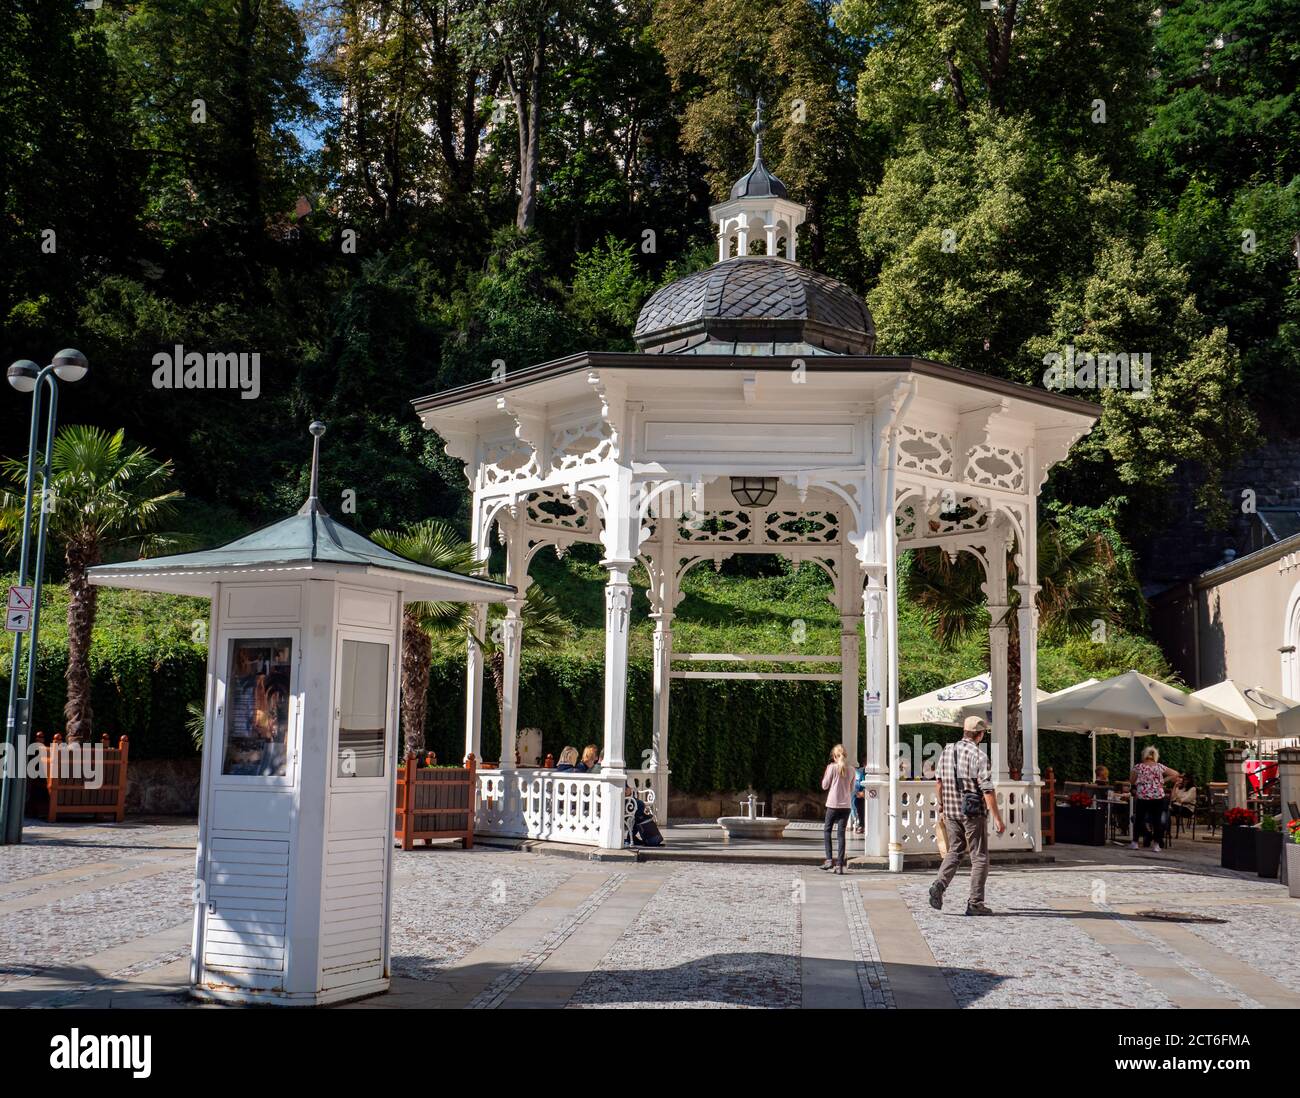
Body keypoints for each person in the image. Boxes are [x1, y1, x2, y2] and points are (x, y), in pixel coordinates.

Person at [929, 717, 1006, 916]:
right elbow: (987, 790)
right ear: (980, 734)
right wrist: (997, 818)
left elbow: (938, 783)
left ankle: (939, 883)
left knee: (954, 851)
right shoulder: (979, 756)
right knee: (979, 857)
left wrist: (941, 804)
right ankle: (975, 904)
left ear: (964, 731)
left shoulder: (947, 751)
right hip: (973, 813)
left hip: (951, 811)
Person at [1129, 745, 1180, 852]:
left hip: (1143, 796)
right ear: (1155, 756)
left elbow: (1132, 781)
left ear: (1144, 755)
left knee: (1139, 819)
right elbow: (1175, 773)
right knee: (1157, 820)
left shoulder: (1138, 767)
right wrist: (1161, 781)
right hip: (1157, 796)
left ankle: (1135, 843)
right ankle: (1156, 845)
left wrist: (1141, 782)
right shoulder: (1159, 766)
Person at [820, 743, 854, 874]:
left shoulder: (831, 768)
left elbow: (824, 785)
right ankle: (840, 865)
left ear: (834, 756)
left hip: (833, 805)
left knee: (827, 831)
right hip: (846, 806)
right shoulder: (851, 769)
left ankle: (829, 860)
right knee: (841, 835)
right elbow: (851, 789)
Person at [849, 758, 867, 834]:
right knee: (857, 800)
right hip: (860, 794)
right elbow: (855, 786)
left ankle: (862, 824)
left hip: (870, 793)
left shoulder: (877, 773)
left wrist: (865, 792)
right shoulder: (859, 772)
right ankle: (860, 824)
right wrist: (859, 793)